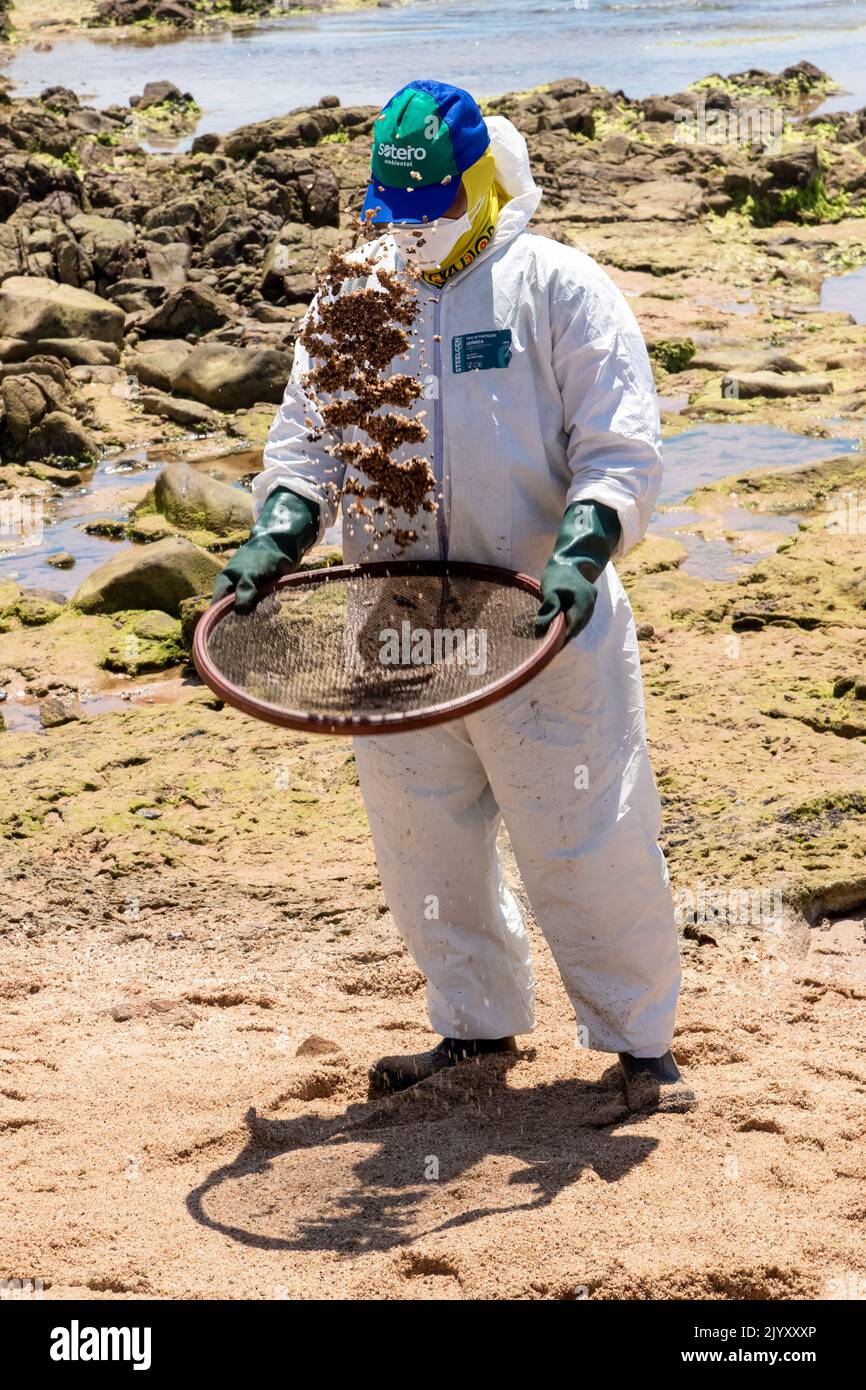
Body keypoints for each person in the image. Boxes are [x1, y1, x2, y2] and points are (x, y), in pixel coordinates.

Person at [213, 79, 694, 1113]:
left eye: (433, 204)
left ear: (482, 182)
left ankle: (637, 1045)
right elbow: (310, 440)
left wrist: (580, 551)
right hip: (395, 627)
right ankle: (473, 1027)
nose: (412, 228)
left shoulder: (557, 287)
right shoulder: (355, 297)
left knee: (584, 835)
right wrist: (279, 532)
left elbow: (617, 448)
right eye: (396, 208)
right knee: (423, 837)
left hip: (536, 623)